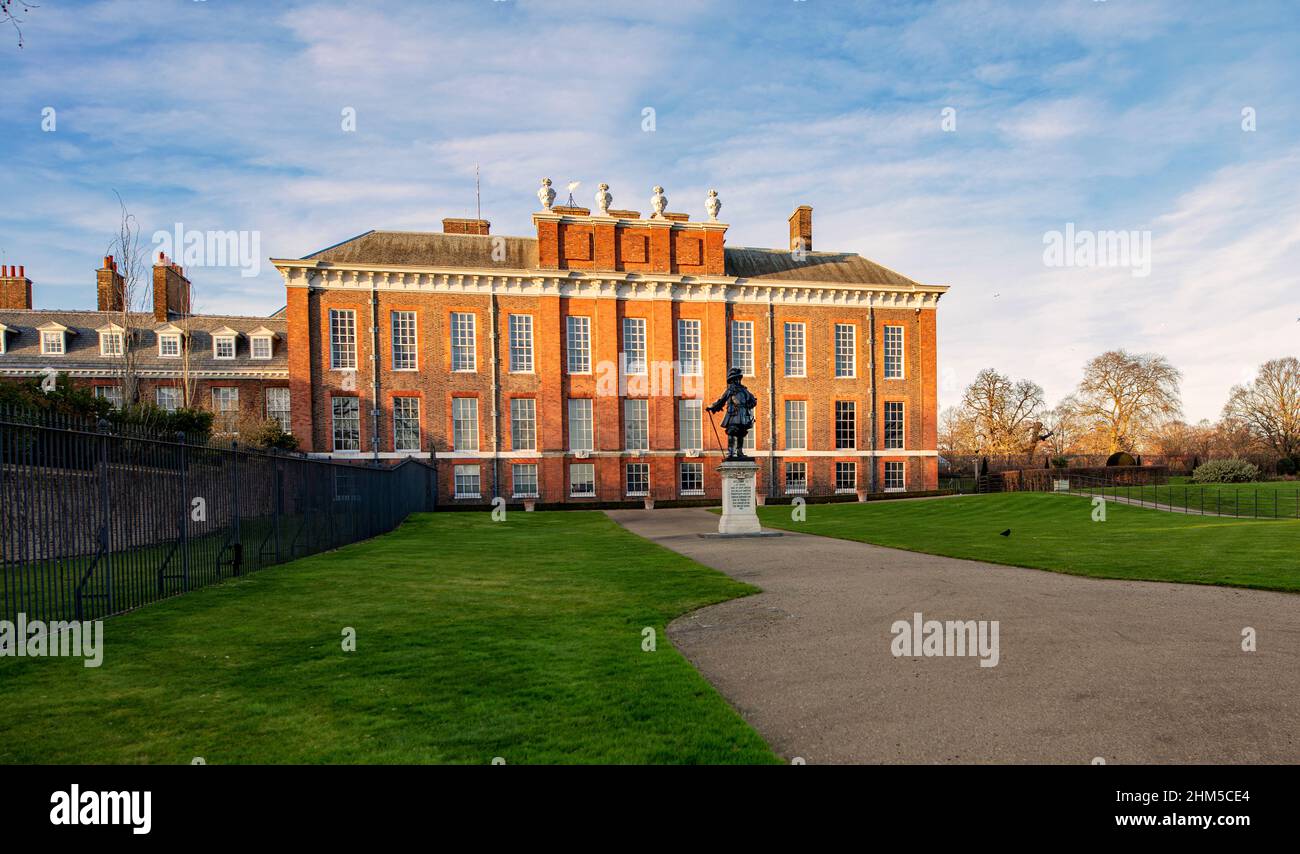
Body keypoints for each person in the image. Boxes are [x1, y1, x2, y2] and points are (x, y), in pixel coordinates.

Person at [707, 368, 757, 460]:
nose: (737, 380)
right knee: (731, 432)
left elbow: (753, 400)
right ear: (732, 380)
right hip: (733, 414)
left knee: (741, 433)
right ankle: (730, 452)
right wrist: (712, 407)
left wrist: (749, 404)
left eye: (738, 378)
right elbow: (721, 400)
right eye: (735, 379)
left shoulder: (744, 390)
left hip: (743, 415)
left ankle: (739, 452)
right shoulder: (730, 390)